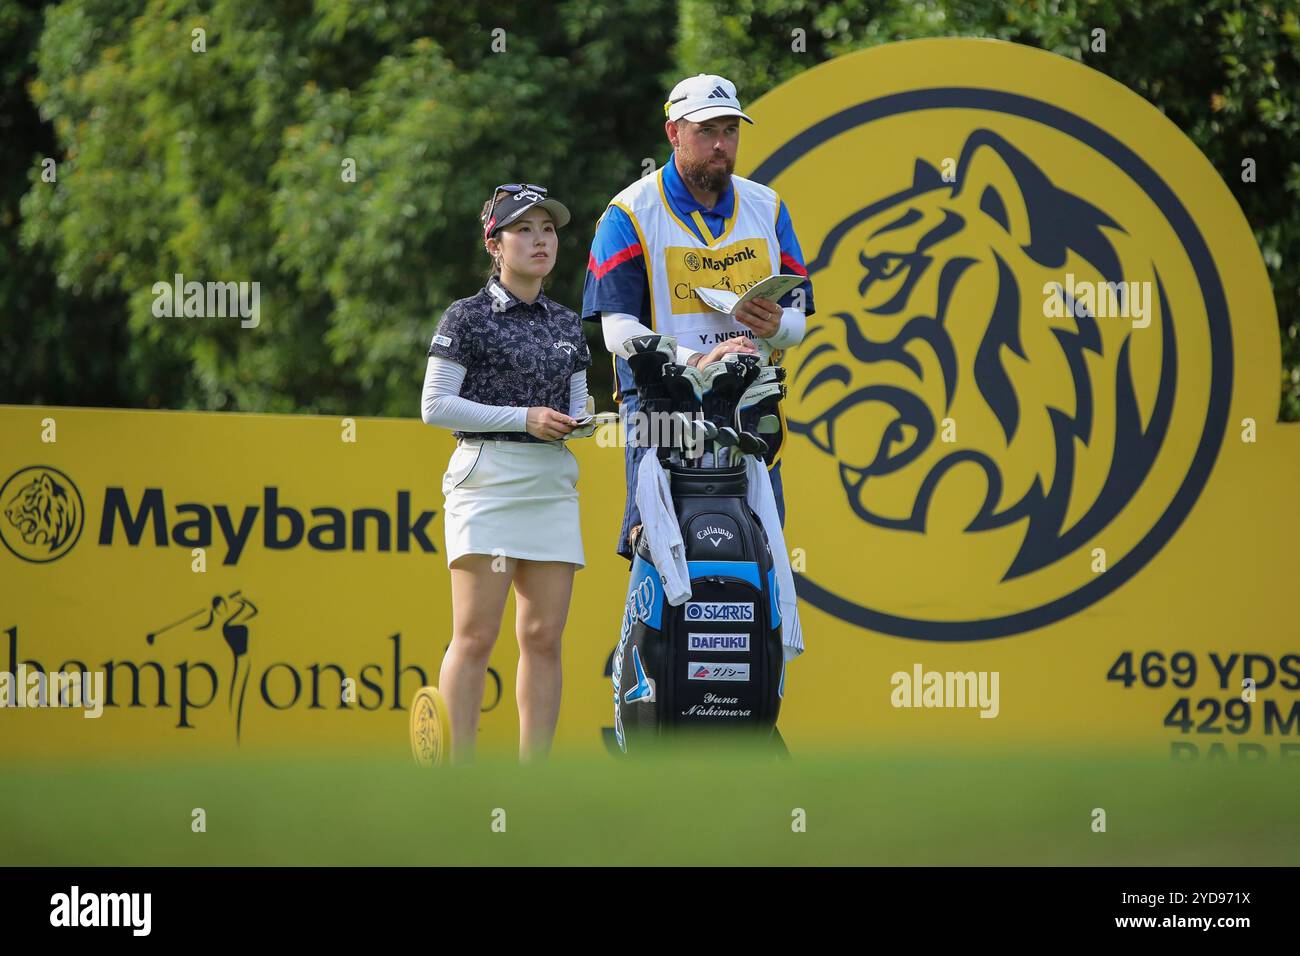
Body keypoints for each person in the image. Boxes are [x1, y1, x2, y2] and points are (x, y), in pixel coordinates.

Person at [580, 73, 816, 563]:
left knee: (760, 553)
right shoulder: (629, 212)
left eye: (730, 130)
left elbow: (798, 325)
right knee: (662, 555)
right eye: (706, 131)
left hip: (751, 403)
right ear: (674, 133)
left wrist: (775, 327)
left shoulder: (768, 207)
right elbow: (616, 331)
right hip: (660, 408)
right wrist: (701, 359)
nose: (720, 145)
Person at [418, 183, 591, 763]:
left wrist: (584, 423)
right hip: (486, 478)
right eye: (524, 230)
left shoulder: (567, 323)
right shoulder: (465, 316)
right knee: (476, 636)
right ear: (495, 244)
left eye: (548, 229)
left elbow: (578, 403)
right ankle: (459, 773)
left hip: (549, 485)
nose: (540, 241)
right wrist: (524, 417)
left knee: (542, 638)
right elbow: (436, 406)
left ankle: (531, 780)